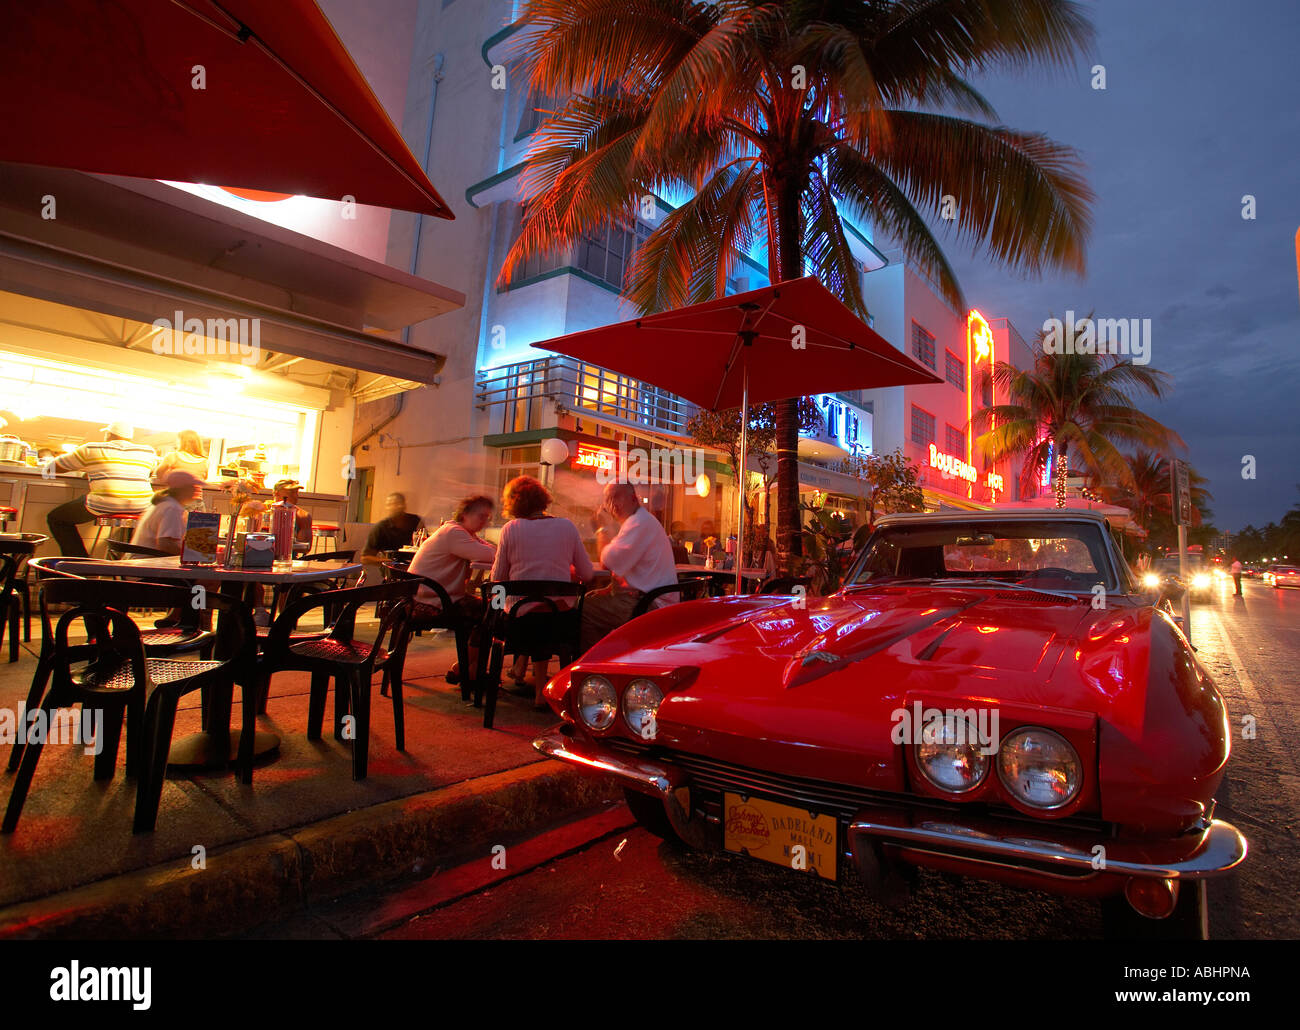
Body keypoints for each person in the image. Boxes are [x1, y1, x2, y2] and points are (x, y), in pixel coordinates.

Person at [490, 476, 594, 707]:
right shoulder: (567, 526)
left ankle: (511, 669)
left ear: (513, 503)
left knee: (504, 604)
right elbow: (587, 575)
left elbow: (497, 577)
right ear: (543, 500)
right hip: (560, 622)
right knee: (542, 606)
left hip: (519, 623)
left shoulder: (510, 529)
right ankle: (537, 687)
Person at [579, 483, 679, 654]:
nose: (612, 504)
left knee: (581, 609)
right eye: (608, 500)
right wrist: (610, 588)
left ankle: (593, 667)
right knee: (591, 599)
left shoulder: (638, 522)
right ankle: (607, 662)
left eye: (616, 497)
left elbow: (608, 561)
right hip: (652, 600)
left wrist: (601, 529)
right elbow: (633, 567)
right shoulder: (639, 521)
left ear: (633, 498)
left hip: (650, 605)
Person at [408, 495, 496, 686]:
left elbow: (487, 549)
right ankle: (469, 670)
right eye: (481, 516)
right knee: (492, 612)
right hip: (432, 600)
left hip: (433, 594)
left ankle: (466, 669)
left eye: (487, 517)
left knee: (488, 609)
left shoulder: (461, 533)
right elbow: (489, 554)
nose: (485, 522)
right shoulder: (454, 533)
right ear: (465, 514)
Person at [43, 422, 157, 556]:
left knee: (57, 519)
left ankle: (79, 563)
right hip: (143, 505)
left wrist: (87, 467)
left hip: (106, 503)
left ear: (108, 434)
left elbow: (51, 468)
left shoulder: (91, 448)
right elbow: (149, 472)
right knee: (134, 526)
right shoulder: (148, 451)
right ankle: (130, 563)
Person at [132, 470, 204, 555]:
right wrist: (194, 555)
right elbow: (166, 544)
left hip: (141, 561)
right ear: (182, 489)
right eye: (194, 487)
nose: (198, 489)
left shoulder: (163, 504)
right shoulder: (172, 509)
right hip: (149, 562)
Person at [361, 492, 425, 568]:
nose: (396, 507)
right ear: (387, 507)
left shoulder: (415, 521)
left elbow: (424, 543)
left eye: (398, 503)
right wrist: (391, 563)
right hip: (393, 572)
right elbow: (365, 558)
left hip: (415, 568)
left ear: (404, 505)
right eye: (391, 504)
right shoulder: (381, 528)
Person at [271, 478, 313, 552]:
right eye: (291, 492)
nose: (295, 496)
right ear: (276, 493)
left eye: (296, 492)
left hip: (289, 560)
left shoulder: (302, 516)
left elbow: (305, 548)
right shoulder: (261, 510)